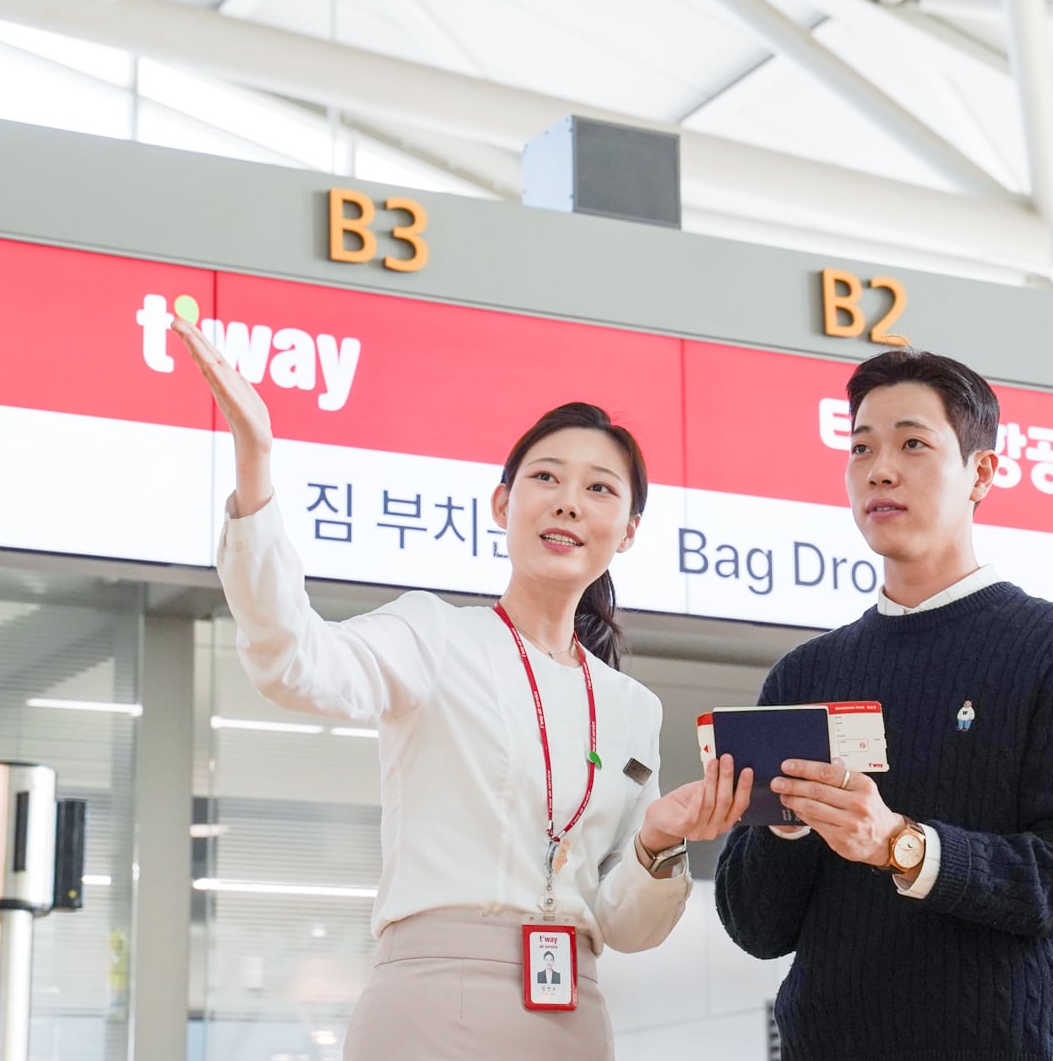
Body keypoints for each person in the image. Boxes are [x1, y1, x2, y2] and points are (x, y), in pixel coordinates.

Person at [175, 317, 753, 1060]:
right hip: (428, 998)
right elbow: (294, 661)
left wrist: (658, 839)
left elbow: (627, 928)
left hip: (572, 1010)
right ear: (500, 505)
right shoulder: (432, 634)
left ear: (629, 530)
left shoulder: (631, 709)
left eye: (598, 488)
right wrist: (255, 466)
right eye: (545, 477)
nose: (567, 501)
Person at [715, 349, 1053, 1060]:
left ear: (981, 472)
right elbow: (758, 928)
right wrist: (786, 827)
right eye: (860, 448)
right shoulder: (804, 676)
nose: (879, 469)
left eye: (913, 443)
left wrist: (903, 846)